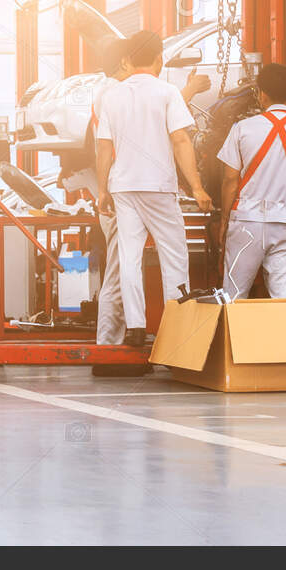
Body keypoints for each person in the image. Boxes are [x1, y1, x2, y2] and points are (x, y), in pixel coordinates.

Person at [78, 38, 212, 348]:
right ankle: (175, 328)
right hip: (159, 187)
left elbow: (104, 148)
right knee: (174, 256)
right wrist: (197, 186)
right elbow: (180, 141)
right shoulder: (166, 93)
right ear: (159, 60)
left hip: (122, 187)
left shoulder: (112, 97)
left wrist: (102, 190)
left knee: (129, 258)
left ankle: (136, 327)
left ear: (128, 59)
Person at [216, 63, 286, 300]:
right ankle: (283, 337)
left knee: (233, 297)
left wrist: (225, 219)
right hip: (285, 223)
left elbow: (230, 180)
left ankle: (232, 337)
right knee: (283, 298)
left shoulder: (242, 129)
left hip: (245, 222)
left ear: (261, 94)